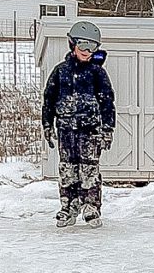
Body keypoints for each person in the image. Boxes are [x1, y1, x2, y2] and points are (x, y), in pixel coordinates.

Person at [42, 19, 116, 229]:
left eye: (92, 47)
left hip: (90, 131)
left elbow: (107, 102)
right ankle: (68, 206)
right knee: (68, 169)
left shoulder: (97, 73)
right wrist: (47, 124)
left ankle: (91, 207)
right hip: (66, 130)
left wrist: (107, 129)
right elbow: (49, 99)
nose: (87, 51)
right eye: (83, 45)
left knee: (89, 170)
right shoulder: (60, 71)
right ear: (72, 44)